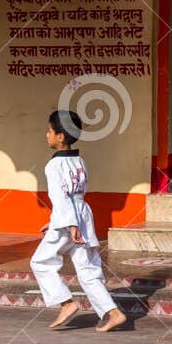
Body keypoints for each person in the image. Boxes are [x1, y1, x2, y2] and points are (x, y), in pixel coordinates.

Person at [30, 110, 128, 332]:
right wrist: (58, 220)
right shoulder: (79, 161)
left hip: (69, 222)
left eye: (50, 131)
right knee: (88, 269)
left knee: (40, 262)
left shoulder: (53, 166)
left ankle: (66, 303)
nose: (47, 135)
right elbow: (74, 195)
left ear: (60, 137)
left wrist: (68, 224)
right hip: (80, 216)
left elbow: (60, 196)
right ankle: (113, 313)